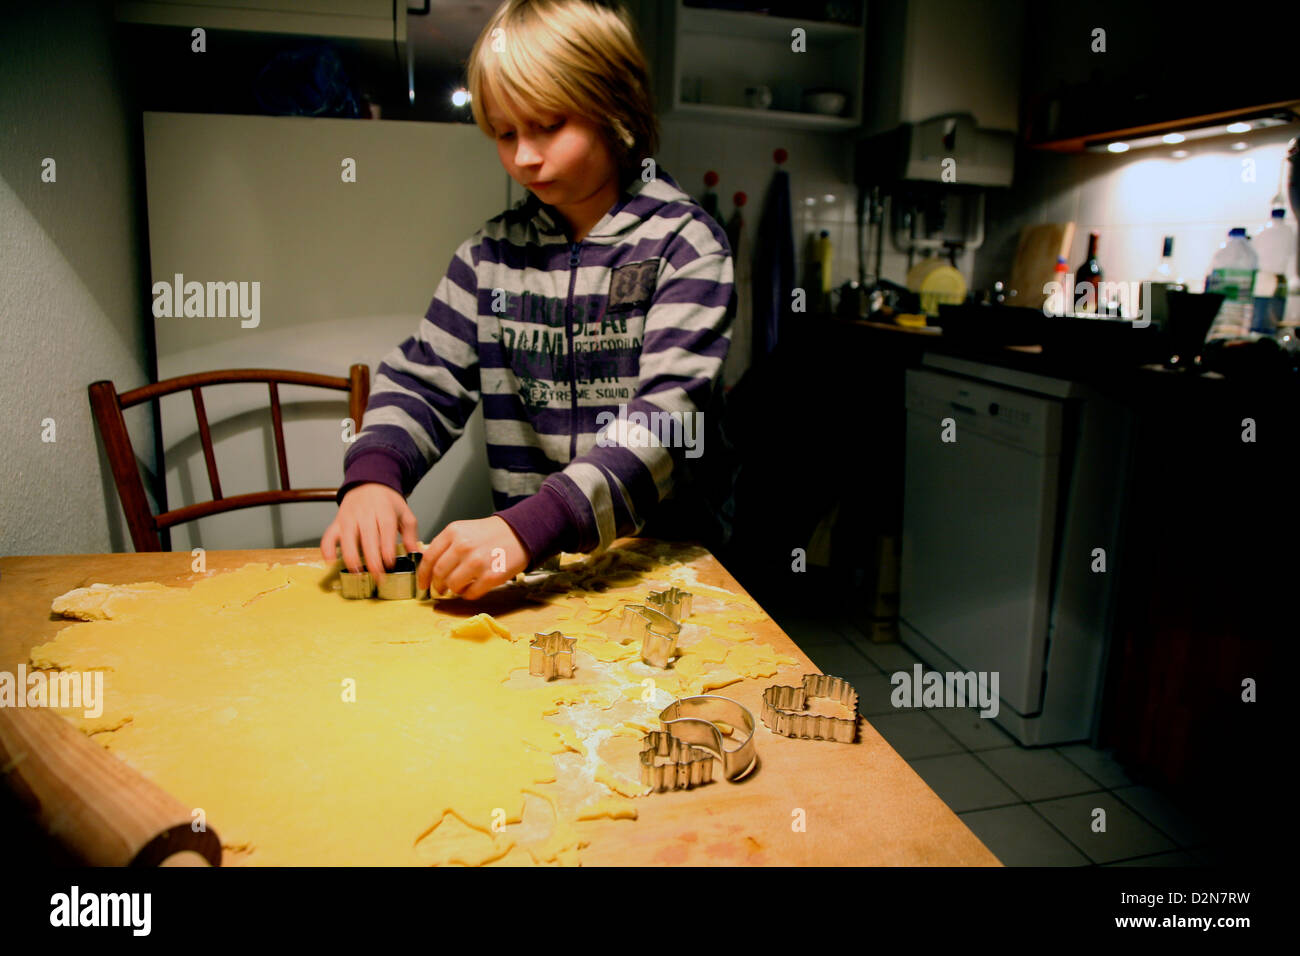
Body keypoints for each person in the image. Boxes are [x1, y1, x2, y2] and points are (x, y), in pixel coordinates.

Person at [319, 0, 735, 600]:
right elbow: (424, 380)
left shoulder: (686, 245)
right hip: (542, 570)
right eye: (505, 133)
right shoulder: (488, 255)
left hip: (667, 567)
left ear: (616, 109)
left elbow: (665, 421)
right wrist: (373, 477)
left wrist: (528, 525)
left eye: (548, 125)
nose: (524, 157)